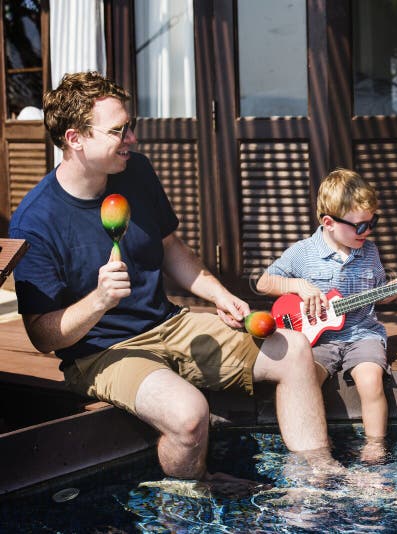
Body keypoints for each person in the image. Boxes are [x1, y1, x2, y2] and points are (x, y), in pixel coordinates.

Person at [9, 71, 332, 487]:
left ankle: (320, 484)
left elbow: (170, 248)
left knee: (293, 349)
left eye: (131, 126)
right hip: (102, 352)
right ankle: (195, 493)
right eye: (118, 131)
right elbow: (43, 336)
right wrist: (98, 301)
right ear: (76, 139)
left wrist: (219, 294)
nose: (132, 139)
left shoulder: (136, 172)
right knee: (188, 414)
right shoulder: (34, 222)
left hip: (168, 324)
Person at [256, 169, 397, 462]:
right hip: (317, 340)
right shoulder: (303, 252)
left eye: (372, 223)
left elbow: (380, 293)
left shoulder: (369, 252)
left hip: (361, 332)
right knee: (303, 380)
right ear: (328, 222)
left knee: (371, 380)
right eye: (360, 226)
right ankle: (316, 446)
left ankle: (375, 447)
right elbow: (265, 282)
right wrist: (297, 285)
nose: (368, 232)